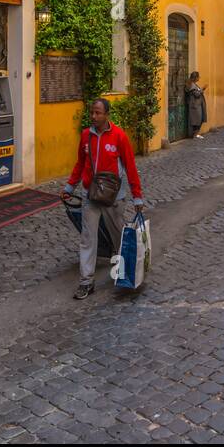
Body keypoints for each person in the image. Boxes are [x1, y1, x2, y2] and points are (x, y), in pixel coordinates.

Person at [61, 97, 144, 300]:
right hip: (90, 195)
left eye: (98, 113)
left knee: (118, 238)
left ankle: (124, 274)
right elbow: (80, 163)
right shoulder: (86, 136)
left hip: (114, 197)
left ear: (107, 114)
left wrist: (137, 197)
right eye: (92, 112)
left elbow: (130, 167)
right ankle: (86, 282)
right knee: (88, 239)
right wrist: (70, 186)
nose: (94, 116)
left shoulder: (119, 137)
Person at [185, 71, 207, 138]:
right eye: (198, 77)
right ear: (195, 78)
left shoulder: (194, 84)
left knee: (198, 119)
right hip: (195, 106)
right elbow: (196, 94)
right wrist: (203, 89)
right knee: (197, 120)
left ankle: (195, 134)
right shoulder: (192, 85)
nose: (199, 78)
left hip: (197, 105)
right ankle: (194, 134)